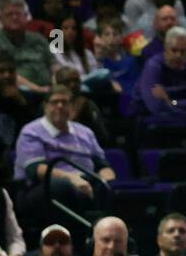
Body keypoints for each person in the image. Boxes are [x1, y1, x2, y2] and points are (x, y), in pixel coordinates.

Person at [14, 87, 116, 218]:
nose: (60, 106)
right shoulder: (31, 131)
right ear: (45, 106)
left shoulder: (85, 132)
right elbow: (34, 168)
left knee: (110, 187)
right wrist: (71, 177)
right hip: (43, 187)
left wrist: (105, 174)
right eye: (55, 102)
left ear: (72, 107)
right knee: (62, 186)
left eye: (65, 102)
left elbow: (99, 162)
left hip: (86, 181)